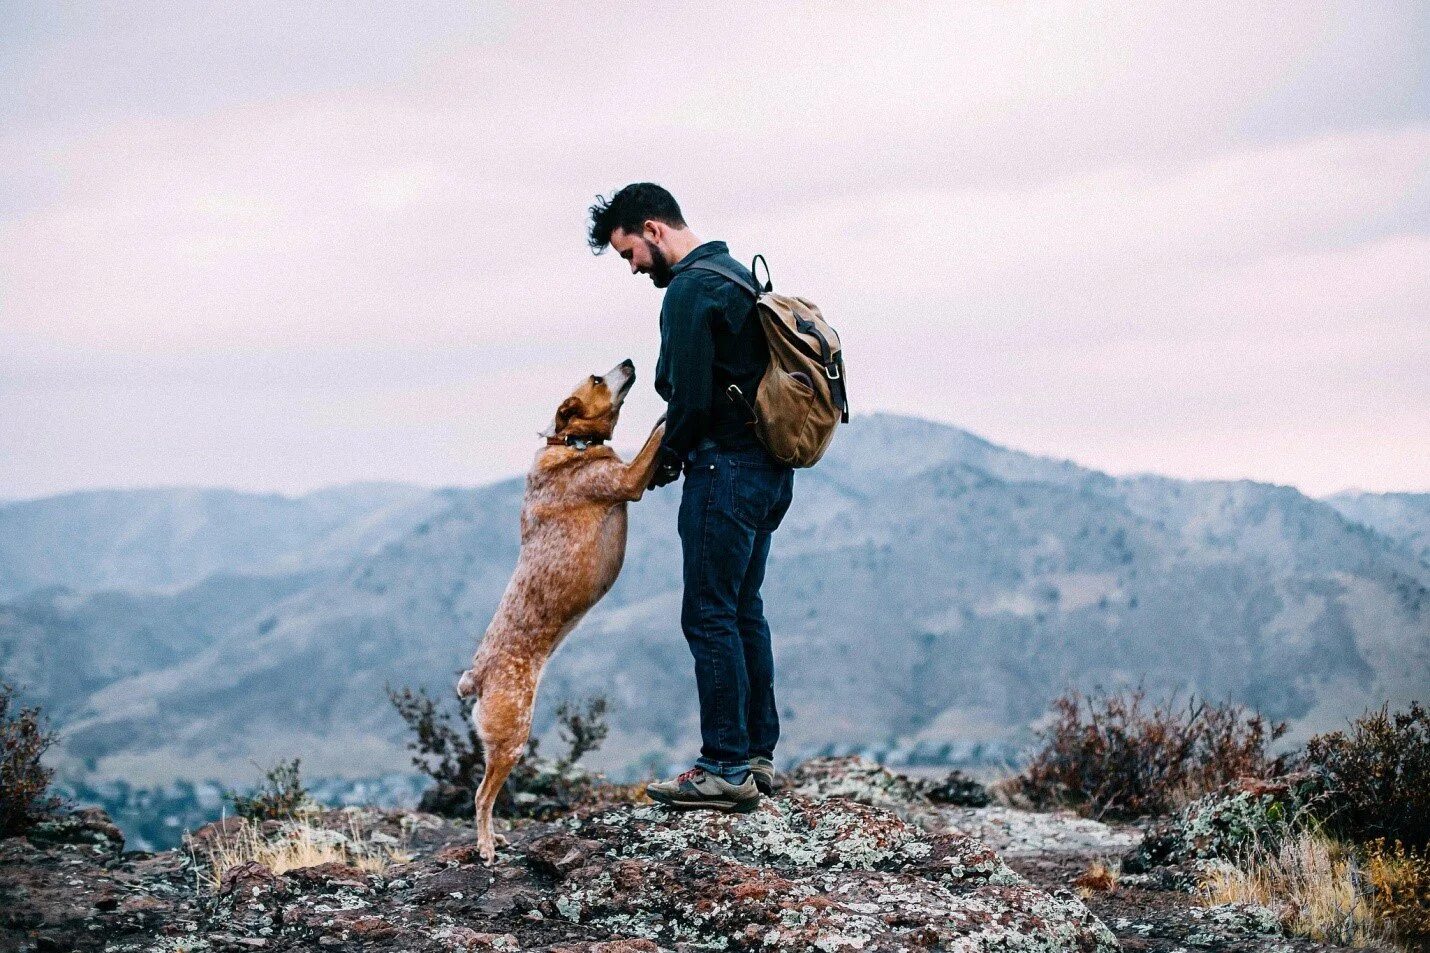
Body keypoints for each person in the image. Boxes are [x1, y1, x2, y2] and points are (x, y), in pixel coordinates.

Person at [587, 183, 794, 812]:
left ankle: (723, 766)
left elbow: (690, 398)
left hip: (722, 471)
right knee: (742, 609)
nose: (632, 268)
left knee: (708, 615)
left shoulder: (690, 289)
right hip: (768, 470)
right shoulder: (737, 275)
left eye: (629, 253)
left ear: (653, 230)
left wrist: (665, 461)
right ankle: (755, 757)